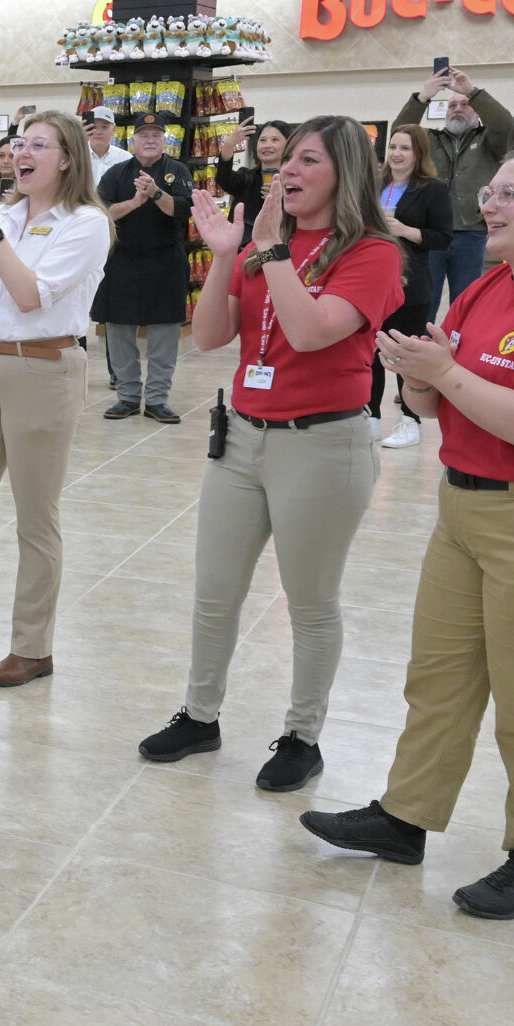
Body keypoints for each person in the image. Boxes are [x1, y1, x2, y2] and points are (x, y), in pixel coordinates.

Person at [301, 141, 514, 919]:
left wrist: (445, 373)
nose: (486, 206)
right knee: (440, 680)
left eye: (509, 195)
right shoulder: (490, 284)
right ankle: (405, 817)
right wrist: (417, 374)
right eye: (488, 192)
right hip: (469, 507)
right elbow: (433, 408)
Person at [137, 115, 401, 792]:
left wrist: (273, 254)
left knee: (310, 602)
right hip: (243, 436)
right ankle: (201, 716)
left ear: (343, 173)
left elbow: (312, 332)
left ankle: (302, 735)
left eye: (306, 161)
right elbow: (210, 337)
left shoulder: (371, 252)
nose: (286, 171)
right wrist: (228, 252)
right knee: (215, 589)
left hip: (323, 443)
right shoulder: (261, 243)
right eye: (284, 161)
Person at [0, 112, 112, 685]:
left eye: (38, 144)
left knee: (35, 517)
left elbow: (31, 297)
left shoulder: (86, 223)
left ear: (66, 159)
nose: (22, 153)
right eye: (18, 143)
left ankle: (33, 646)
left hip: (45, 369)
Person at [94, 111, 194, 423]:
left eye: (156, 135)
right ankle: (127, 397)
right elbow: (102, 212)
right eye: (144, 135)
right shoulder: (116, 174)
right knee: (120, 332)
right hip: (122, 262)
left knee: (164, 335)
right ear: (133, 141)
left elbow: (181, 209)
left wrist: (155, 193)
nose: (150, 140)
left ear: (166, 140)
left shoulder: (177, 171)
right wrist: (136, 202)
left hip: (165, 262)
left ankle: (157, 399)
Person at [395, 67, 514, 311]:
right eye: (452, 106)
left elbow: (505, 126)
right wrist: (422, 97)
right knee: (424, 298)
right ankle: (420, 344)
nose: (458, 109)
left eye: (465, 104)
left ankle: (460, 347)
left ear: (477, 110)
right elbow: (400, 133)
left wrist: (473, 92)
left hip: (471, 233)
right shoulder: (430, 141)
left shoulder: (490, 141)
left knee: (467, 302)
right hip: (430, 233)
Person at [372, 125, 454, 448]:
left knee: (404, 352)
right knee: (371, 351)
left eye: (404, 148)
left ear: (418, 153)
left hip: (412, 282)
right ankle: (371, 416)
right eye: (392, 146)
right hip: (375, 280)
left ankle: (410, 420)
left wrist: (406, 230)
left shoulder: (432, 190)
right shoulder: (377, 185)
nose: (396, 154)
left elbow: (442, 237)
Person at [216, 118, 294, 234]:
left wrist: (282, 199)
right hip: (243, 248)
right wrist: (228, 145)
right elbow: (223, 178)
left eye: (275, 140)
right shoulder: (246, 178)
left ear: (288, 145)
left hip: (280, 245)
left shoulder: (295, 182)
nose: (267, 145)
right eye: (262, 140)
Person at [85, 107, 128, 181]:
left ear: (114, 130)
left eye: (105, 127)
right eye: (94, 127)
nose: (98, 132)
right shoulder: (76, 157)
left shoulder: (125, 159)